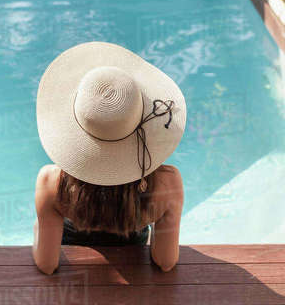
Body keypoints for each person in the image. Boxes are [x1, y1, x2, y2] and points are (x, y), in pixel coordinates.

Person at [33, 41, 186, 274]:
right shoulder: (167, 182)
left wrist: (38, 228)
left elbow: (47, 264)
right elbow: (165, 261)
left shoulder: (52, 183)